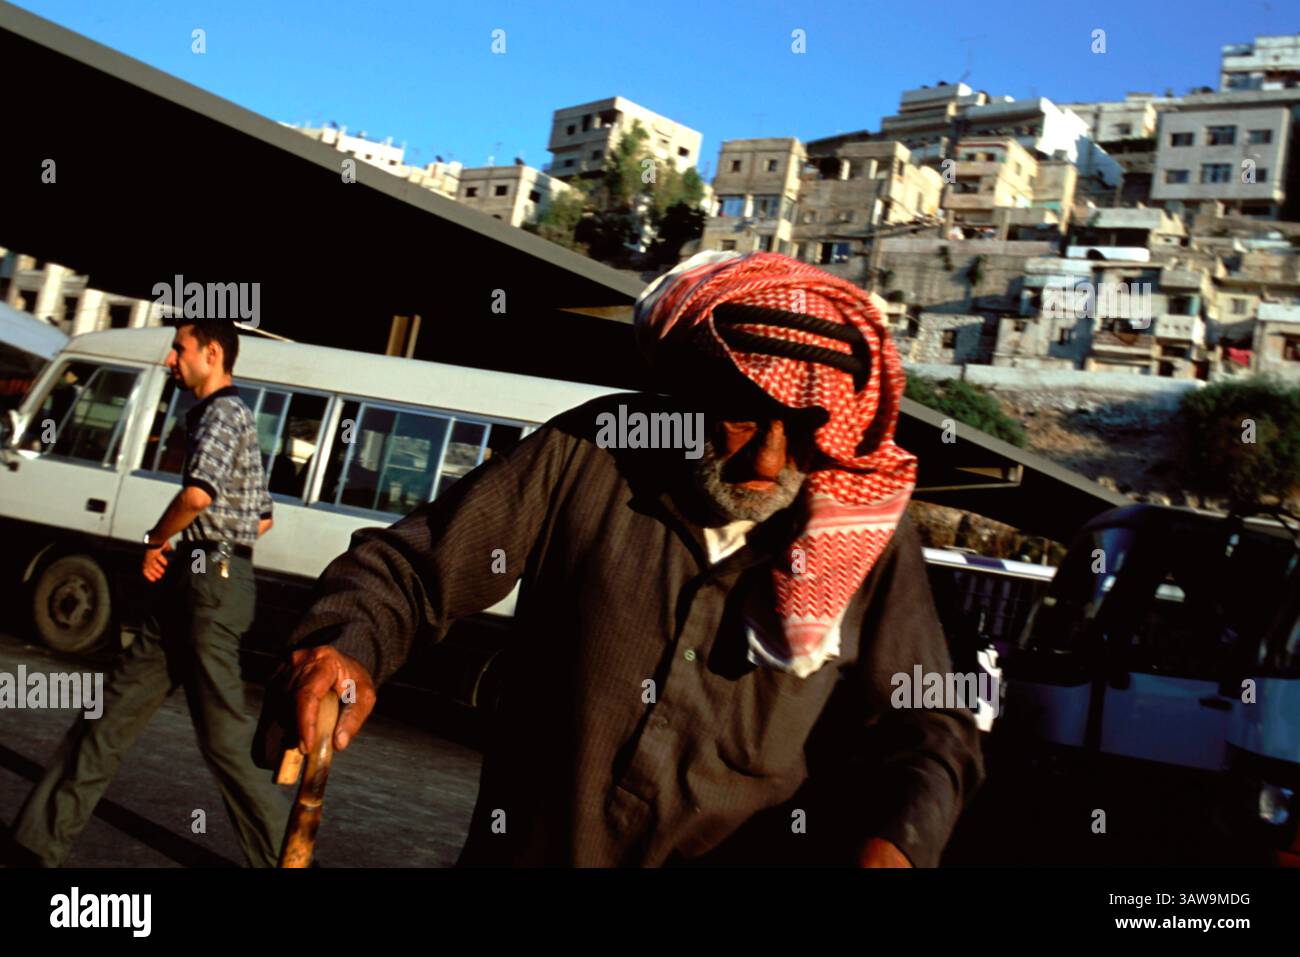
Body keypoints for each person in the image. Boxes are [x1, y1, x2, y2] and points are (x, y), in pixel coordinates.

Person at [267, 251, 984, 867]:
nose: (767, 461)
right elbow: (407, 571)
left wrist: (899, 836)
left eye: (799, 431)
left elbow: (928, 722)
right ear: (692, 389)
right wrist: (345, 646)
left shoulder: (870, 537)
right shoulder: (594, 451)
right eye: (740, 415)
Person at [6, 318, 290, 867]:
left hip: (209, 586)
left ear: (212, 353)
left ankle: (289, 861)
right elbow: (261, 520)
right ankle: (36, 846)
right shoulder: (235, 417)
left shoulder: (221, 412)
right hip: (201, 579)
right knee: (107, 715)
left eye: (179, 350)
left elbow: (199, 496)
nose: (170, 361)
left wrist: (156, 540)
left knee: (225, 743)